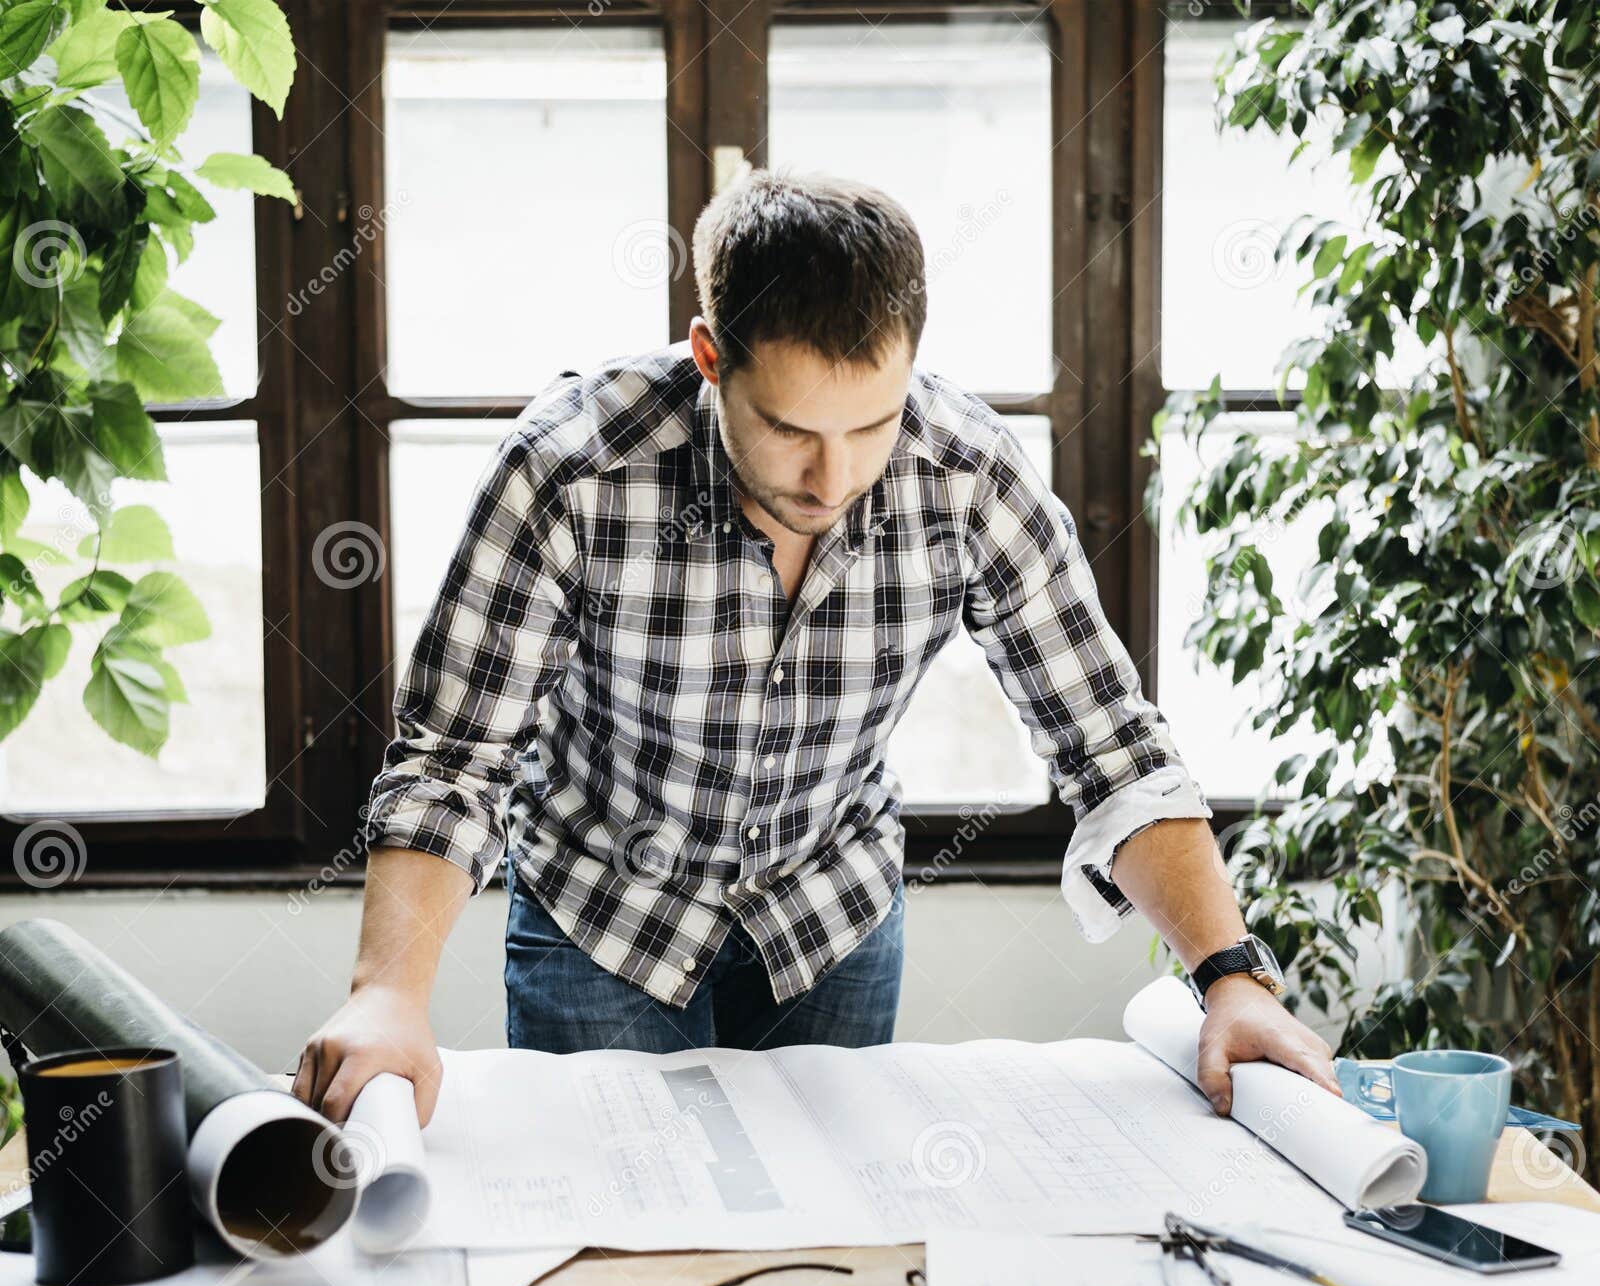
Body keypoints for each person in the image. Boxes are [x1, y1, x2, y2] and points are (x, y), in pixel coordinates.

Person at [293, 169, 1339, 1128]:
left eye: (871, 425)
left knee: (829, 1246)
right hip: (602, 922)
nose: (832, 478)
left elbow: (1109, 742)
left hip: (828, 918)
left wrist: (1229, 975)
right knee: (626, 1252)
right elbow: (453, 762)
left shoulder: (967, 478)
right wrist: (388, 997)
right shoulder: (569, 472)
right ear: (709, 357)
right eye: (791, 430)